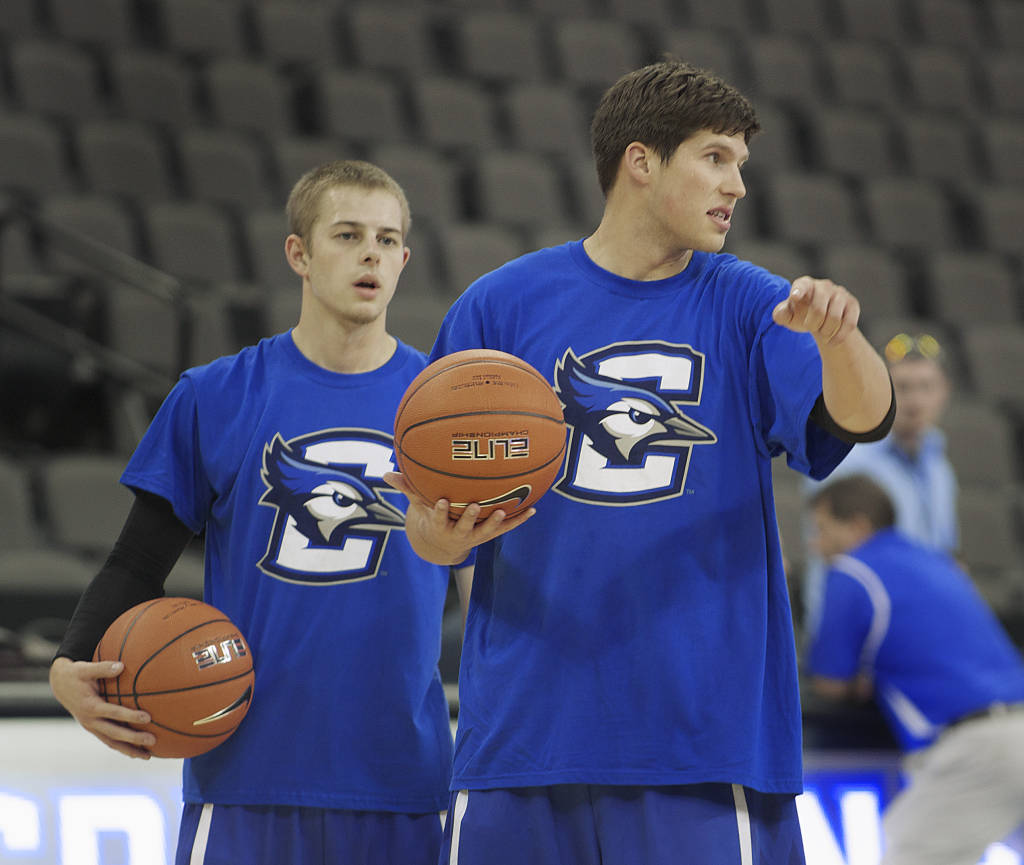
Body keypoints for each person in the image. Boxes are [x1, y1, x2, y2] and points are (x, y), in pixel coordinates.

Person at [384, 60, 895, 865]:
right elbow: (434, 524)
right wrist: (440, 538)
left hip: (699, 740)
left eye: (741, 165)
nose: (738, 186)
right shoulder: (498, 306)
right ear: (641, 161)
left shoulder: (747, 302)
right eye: (716, 158)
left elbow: (858, 417)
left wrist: (841, 339)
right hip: (523, 740)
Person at [48, 159, 472, 865]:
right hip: (246, 776)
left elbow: (479, 586)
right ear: (298, 254)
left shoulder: (440, 410)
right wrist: (69, 661)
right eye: (347, 234)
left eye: (388, 238)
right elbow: (136, 559)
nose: (372, 252)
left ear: (404, 258)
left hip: (404, 780)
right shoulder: (216, 395)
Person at [805, 474, 1024, 865]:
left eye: (823, 529)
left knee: (909, 854)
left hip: (978, 748)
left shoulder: (853, 570)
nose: (816, 544)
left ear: (857, 525)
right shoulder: (935, 559)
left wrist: (862, 683)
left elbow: (829, 680)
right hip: (1016, 726)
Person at [800, 331, 957, 633]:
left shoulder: (939, 467)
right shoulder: (845, 460)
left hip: (918, 629)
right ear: (880, 389)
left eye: (926, 387)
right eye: (903, 387)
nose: (915, 401)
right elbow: (830, 561)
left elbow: (943, 552)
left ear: (944, 393)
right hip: (864, 632)